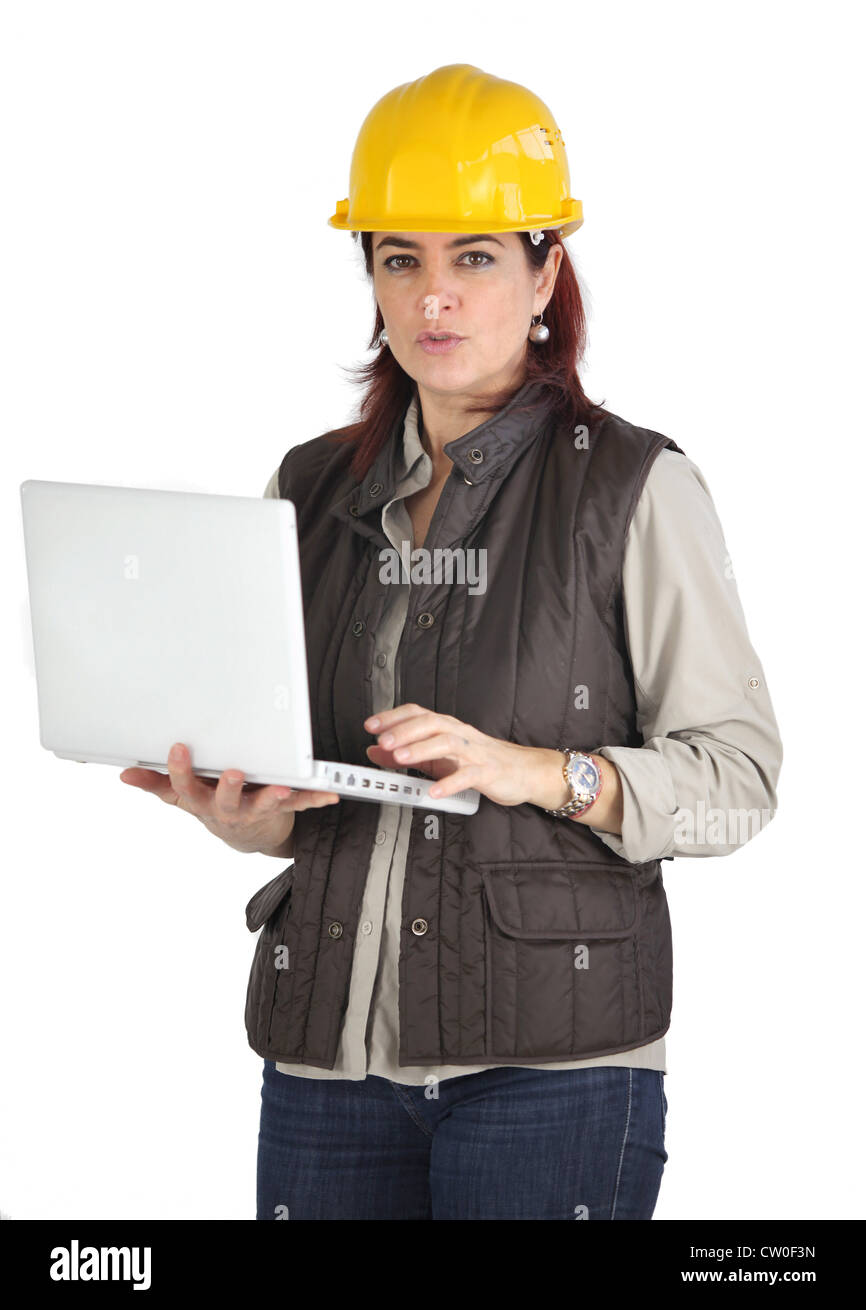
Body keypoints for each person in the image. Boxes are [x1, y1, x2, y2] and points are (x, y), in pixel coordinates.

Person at [121, 64, 783, 1220]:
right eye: (400, 259)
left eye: (473, 257)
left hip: (551, 1074)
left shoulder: (634, 488)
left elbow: (738, 779)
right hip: (327, 1062)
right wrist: (247, 814)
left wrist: (531, 770)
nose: (435, 296)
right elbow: (303, 785)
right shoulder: (307, 488)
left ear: (544, 272)